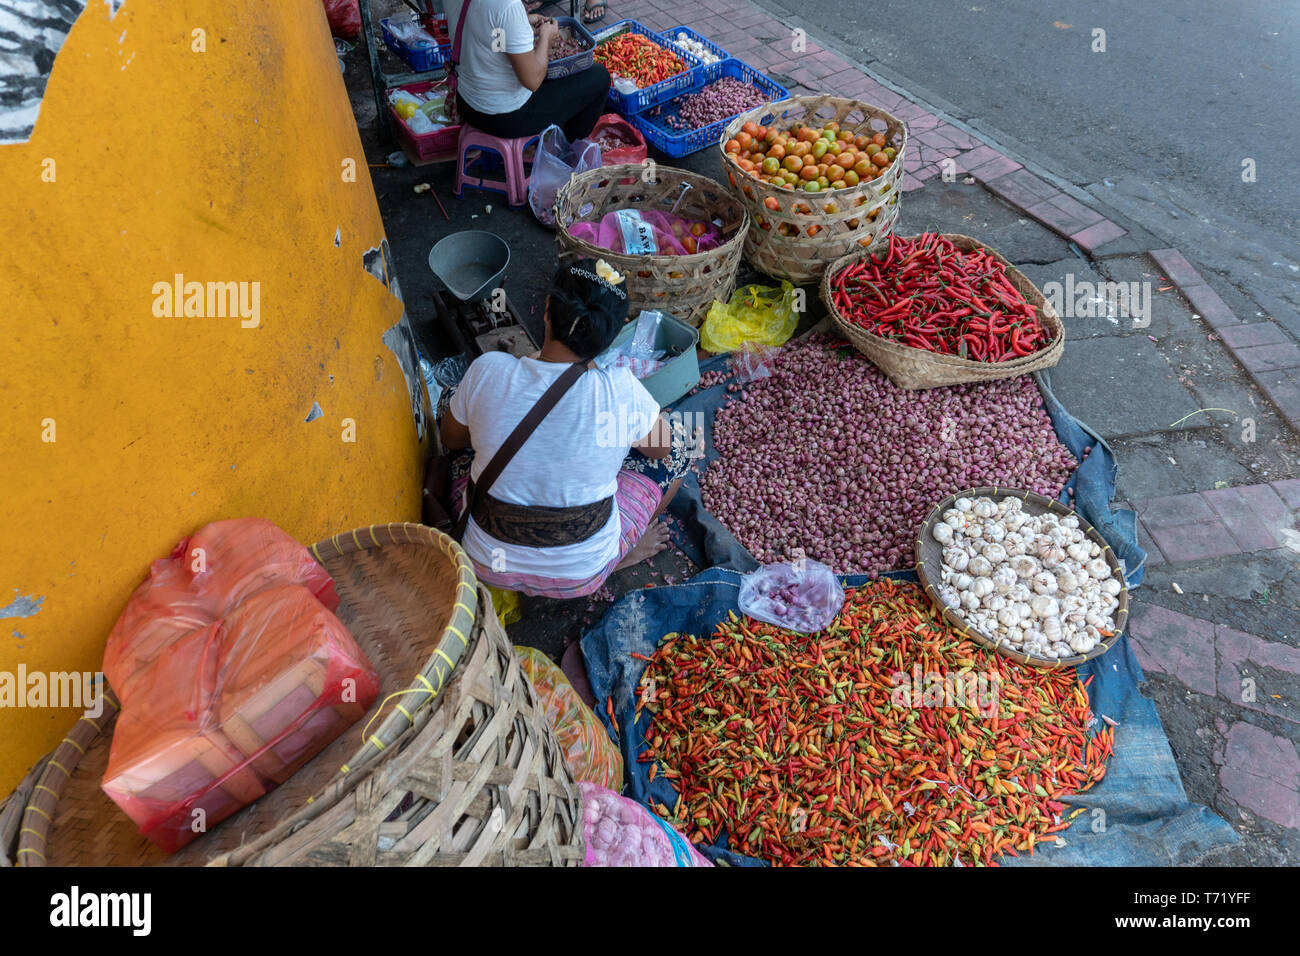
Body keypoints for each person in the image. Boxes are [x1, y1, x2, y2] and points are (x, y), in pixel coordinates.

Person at [440, 259, 694, 599]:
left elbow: (451, 439)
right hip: (579, 575)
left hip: (484, 562)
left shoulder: (488, 370)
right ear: (612, 336)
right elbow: (662, 450)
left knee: (456, 415)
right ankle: (619, 555)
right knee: (677, 452)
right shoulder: (621, 390)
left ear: (546, 310)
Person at [447, 0, 611, 142]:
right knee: (599, 77)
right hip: (504, 117)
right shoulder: (508, 6)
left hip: (466, 103)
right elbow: (533, 81)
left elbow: (487, 33)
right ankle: (567, 148)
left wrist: (521, 24)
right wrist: (546, 40)